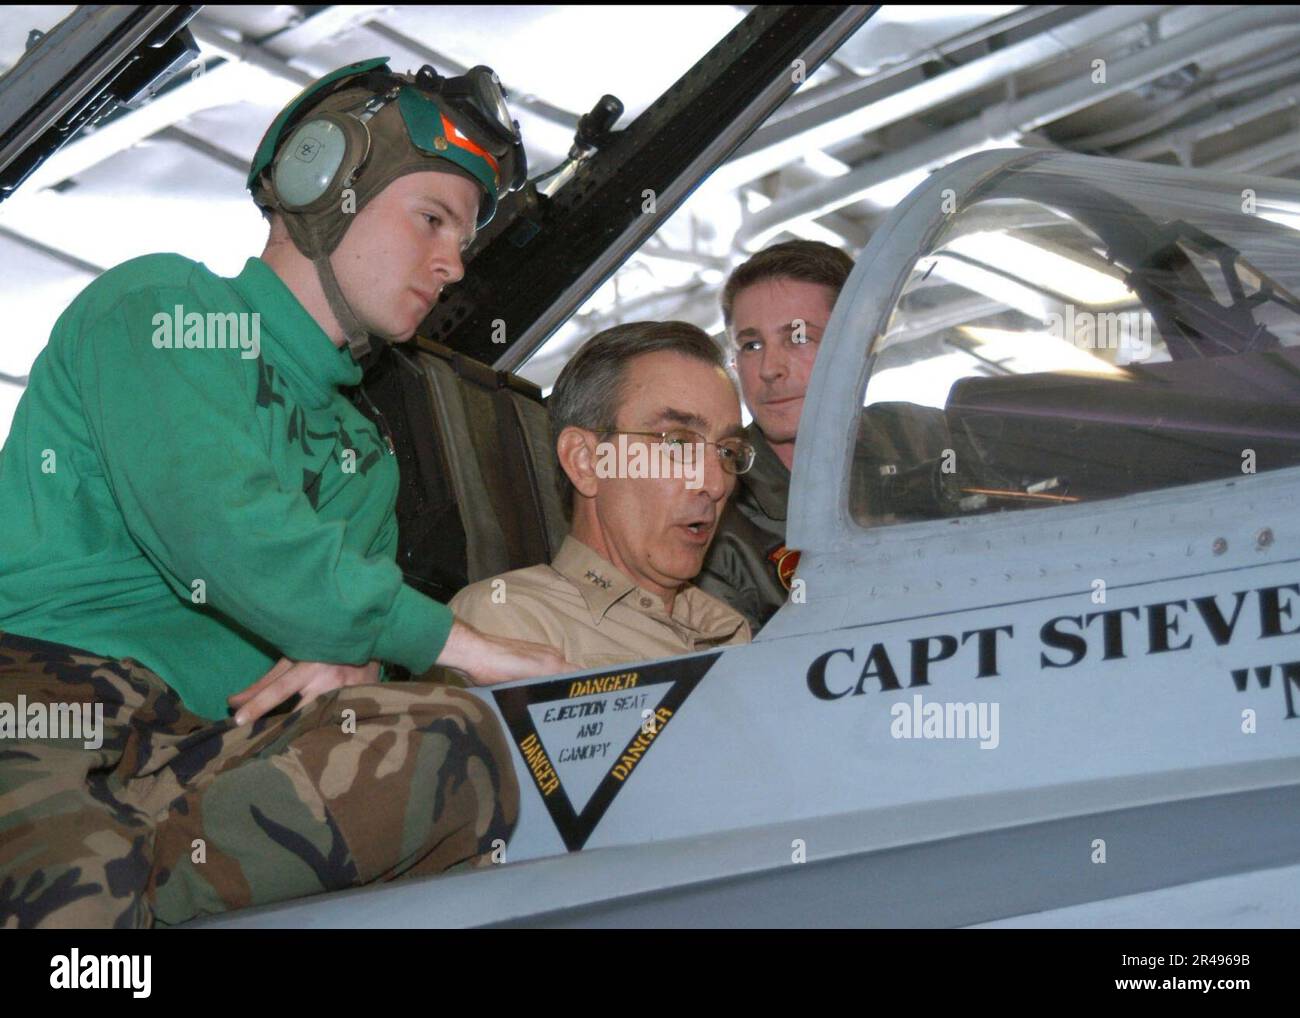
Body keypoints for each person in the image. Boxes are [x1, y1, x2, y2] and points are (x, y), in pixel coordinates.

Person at [0, 58, 569, 928]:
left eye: (463, 237)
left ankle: (143, 882)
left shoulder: (363, 453)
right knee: (83, 920)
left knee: (457, 745)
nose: (453, 263)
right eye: (432, 219)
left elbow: (335, 623)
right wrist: (460, 643)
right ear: (323, 183)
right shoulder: (163, 307)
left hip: (209, 742)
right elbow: (229, 532)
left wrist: (363, 658)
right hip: (53, 698)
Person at [451, 322, 753, 669]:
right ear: (585, 461)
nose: (715, 484)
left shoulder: (728, 632)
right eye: (679, 444)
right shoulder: (508, 624)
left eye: (729, 452)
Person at [697, 239, 856, 631]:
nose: (769, 369)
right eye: (751, 345)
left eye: (798, 338)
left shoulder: (927, 443)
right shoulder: (712, 509)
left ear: (856, 342)